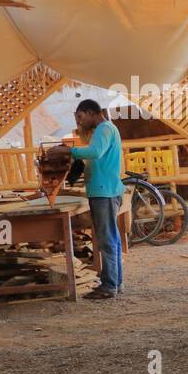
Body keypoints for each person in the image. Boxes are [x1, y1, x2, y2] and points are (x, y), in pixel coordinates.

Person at [51, 100, 124, 300]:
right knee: (112, 238)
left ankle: (110, 285)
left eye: (81, 118)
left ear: (91, 112)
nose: (80, 123)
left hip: (104, 191)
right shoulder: (105, 129)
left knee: (107, 240)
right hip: (104, 190)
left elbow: (95, 152)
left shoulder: (104, 129)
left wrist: (68, 150)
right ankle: (115, 282)